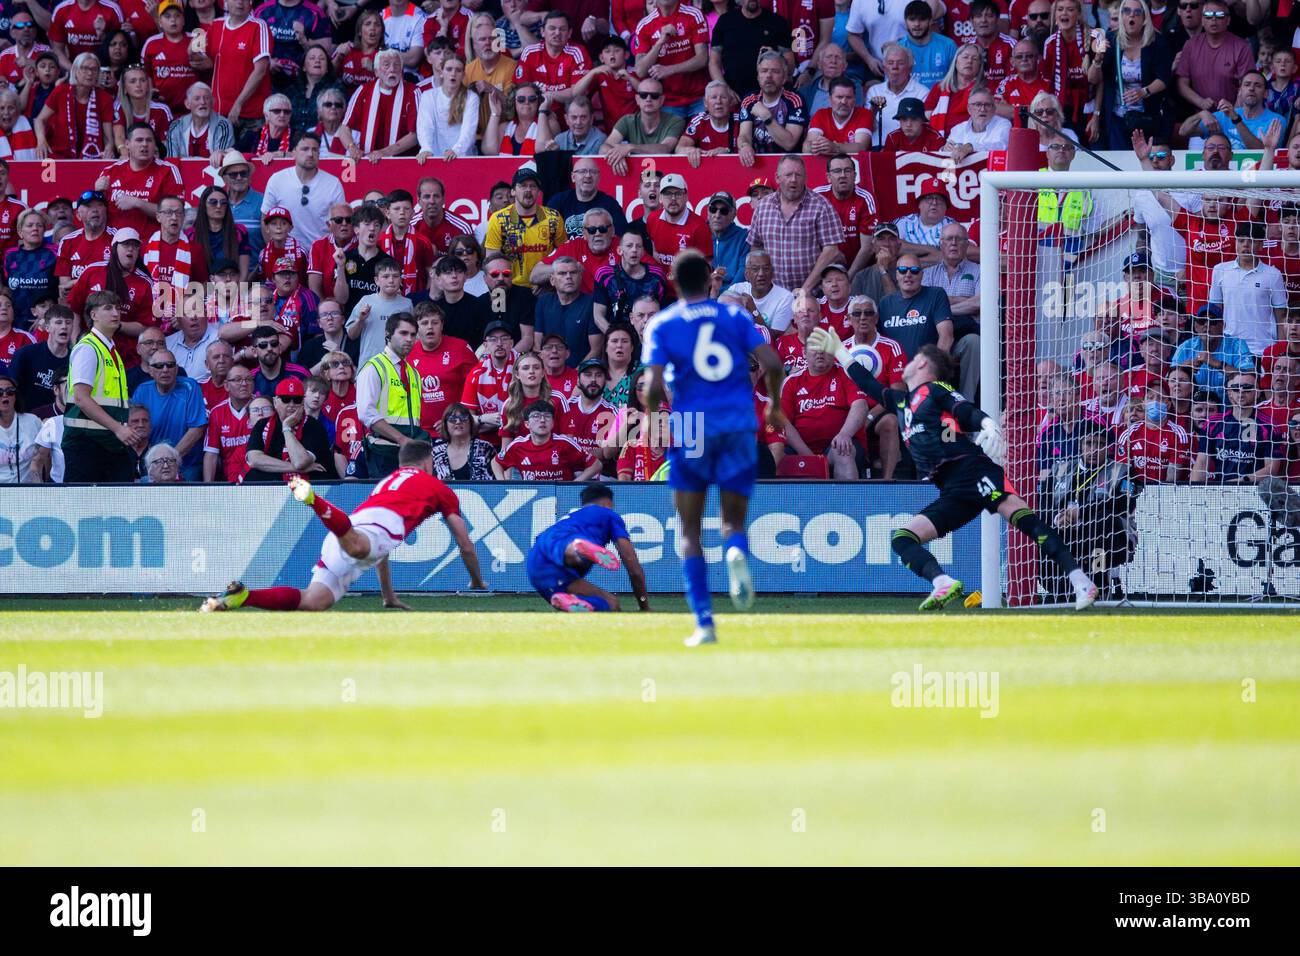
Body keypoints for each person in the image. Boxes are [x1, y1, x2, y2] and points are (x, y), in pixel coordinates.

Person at [804, 326, 1099, 610]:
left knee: (1025, 521)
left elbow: (963, 409)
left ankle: (1081, 582)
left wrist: (987, 424)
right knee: (902, 538)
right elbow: (868, 384)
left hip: (972, 469)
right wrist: (841, 354)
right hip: (951, 487)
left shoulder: (934, 389)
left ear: (921, 364)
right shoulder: (903, 402)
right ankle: (943, 582)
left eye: (913, 358)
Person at [643, 250, 785, 646]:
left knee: (688, 531)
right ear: (709, 280)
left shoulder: (663, 323)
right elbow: (773, 364)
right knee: (732, 522)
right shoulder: (736, 316)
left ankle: (704, 622)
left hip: (692, 429)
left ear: (673, 281)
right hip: (739, 424)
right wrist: (772, 404)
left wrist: (654, 415)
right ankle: (736, 551)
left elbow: (654, 386)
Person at [203, 441, 485, 612]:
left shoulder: (387, 482)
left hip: (352, 528)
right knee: (360, 546)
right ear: (428, 463)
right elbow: (465, 544)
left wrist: (388, 596)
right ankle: (313, 499)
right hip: (365, 532)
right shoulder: (438, 487)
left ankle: (244, 596)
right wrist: (477, 581)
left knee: (314, 601)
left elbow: (381, 553)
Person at [526, 483, 651, 613]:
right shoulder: (608, 514)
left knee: (611, 603)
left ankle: (572, 598)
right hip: (570, 543)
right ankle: (577, 549)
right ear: (607, 503)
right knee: (612, 604)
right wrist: (644, 606)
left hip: (536, 562)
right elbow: (633, 568)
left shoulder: (570, 517)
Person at [62, 291, 145, 482]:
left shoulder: (110, 350)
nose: (116, 313)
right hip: (86, 444)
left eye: (117, 308)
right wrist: (118, 428)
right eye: (108, 308)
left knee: (117, 505)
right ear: (93, 315)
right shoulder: (88, 348)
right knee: (83, 508)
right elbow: (81, 399)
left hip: (107, 442)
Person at [746, 155, 844, 297]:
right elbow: (756, 247)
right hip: (773, 295)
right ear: (777, 178)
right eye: (788, 175)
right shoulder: (763, 207)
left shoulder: (821, 205)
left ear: (805, 178)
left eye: (798, 175)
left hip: (813, 295)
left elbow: (831, 251)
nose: (793, 179)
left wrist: (805, 289)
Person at [356, 311, 428, 478]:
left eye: (412, 334)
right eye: (403, 333)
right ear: (388, 334)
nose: (409, 339)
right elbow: (366, 413)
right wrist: (401, 439)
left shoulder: (414, 373)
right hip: (383, 451)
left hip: (410, 452)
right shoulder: (374, 367)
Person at [1208, 220, 1287, 356]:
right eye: (1241, 240)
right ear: (1236, 243)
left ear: (1261, 245)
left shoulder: (1273, 274)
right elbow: (1215, 313)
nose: (1245, 244)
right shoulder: (1220, 270)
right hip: (1229, 349)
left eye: (1251, 241)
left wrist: (1281, 351)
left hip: (1263, 348)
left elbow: (1281, 317)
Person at [131, 347, 208, 481]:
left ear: (177, 369)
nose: (165, 370)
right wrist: (157, 463)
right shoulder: (142, 390)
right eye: (159, 366)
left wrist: (170, 460)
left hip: (186, 463)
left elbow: (196, 430)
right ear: (150, 370)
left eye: (170, 365)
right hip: (153, 464)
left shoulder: (190, 387)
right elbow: (135, 427)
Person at [197, 0, 274, 131]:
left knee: (248, 152)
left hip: (252, 116)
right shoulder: (216, 25)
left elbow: (260, 71)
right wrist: (193, 48)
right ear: (225, 2)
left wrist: (238, 104)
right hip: (221, 113)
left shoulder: (259, 26)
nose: (240, 2)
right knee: (219, 152)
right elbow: (201, 58)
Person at [242, 376, 337, 481]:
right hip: (272, 489)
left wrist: (286, 428)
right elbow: (254, 459)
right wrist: (294, 469)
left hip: (311, 489)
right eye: (286, 399)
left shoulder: (315, 426)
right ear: (275, 402)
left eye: (297, 400)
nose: (291, 405)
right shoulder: (262, 424)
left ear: (302, 403)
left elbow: (300, 462)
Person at [484, 166, 565, 287]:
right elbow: (491, 262)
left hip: (546, 287)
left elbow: (563, 255)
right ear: (513, 191)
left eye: (533, 186)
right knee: (497, 306)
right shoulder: (498, 219)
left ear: (538, 191)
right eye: (523, 185)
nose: (528, 190)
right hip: (509, 287)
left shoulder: (553, 218)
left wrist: (547, 280)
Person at [34, 52, 118, 160]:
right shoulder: (61, 91)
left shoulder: (104, 98)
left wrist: (109, 149)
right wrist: (41, 141)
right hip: (60, 157)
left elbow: (108, 138)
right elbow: (39, 120)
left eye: (94, 69)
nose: (89, 73)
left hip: (92, 158)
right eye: (85, 68)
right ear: (75, 71)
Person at [634, 0, 709, 118]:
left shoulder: (694, 15)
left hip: (699, 97)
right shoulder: (645, 25)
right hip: (668, 101)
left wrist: (669, 70)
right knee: (672, 137)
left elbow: (703, 59)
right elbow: (640, 70)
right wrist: (660, 42)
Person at [709, 0, 794, 101]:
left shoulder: (777, 22)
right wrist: (724, 89)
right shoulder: (725, 21)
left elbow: (790, 65)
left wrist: (775, 57)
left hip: (769, 97)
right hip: (734, 97)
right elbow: (714, 61)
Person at [343, 48, 418, 159]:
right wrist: (352, 148)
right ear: (376, 72)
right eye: (386, 65)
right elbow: (344, 128)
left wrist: (384, 153)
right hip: (368, 161)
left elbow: (415, 135)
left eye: (396, 65)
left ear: (402, 70)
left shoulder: (413, 92)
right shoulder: (364, 90)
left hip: (403, 163)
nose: (392, 69)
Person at [600, 76, 685, 174]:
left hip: (667, 173)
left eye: (654, 96)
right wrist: (617, 156)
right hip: (634, 173)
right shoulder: (627, 120)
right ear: (637, 99)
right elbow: (604, 147)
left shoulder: (675, 121)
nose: (648, 99)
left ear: (662, 100)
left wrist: (631, 147)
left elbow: (665, 148)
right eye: (644, 95)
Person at [737, 52, 807, 161]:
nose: (768, 76)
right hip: (757, 163)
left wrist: (767, 117)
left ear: (784, 78)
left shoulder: (795, 100)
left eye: (775, 71)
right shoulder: (749, 100)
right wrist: (744, 146)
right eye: (764, 71)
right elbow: (744, 135)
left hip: (789, 164)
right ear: (758, 77)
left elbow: (789, 144)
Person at [347, 257, 413, 367]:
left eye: (395, 276)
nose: (391, 280)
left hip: (398, 364)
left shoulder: (407, 304)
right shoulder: (366, 301)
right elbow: (351, 335)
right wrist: (360, 320)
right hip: (370, 364)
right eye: (386, 276)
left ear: (401, 279)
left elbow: (414, 337)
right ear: (376, 280)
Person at [545, 157, 628, 242]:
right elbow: (546, 237)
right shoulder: (558, 202)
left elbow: (621, 239)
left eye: (593, 172)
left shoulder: (610, 205)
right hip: (565, 254)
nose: (588, 175)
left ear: (599, 178)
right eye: (582, 171)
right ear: (573, 177)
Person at [416, 52, 479, 160]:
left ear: (463, 75)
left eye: (458, 70)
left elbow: (468, 130)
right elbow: (425, 127)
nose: (453, 73)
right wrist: (426, 148)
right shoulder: (428, 96)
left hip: (463, 158)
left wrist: (456, 150)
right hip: (435, 158)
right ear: (441, 72)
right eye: (449, 69)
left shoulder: (471, 97)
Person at [8, 307, 71, 412]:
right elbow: (10, 388)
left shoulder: (75, 360)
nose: (64, 326)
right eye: (58, 323)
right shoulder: (25, 354)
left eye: (68, 323)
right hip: (26, 418)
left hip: (58, 421)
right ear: (47, 327)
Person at [865, 43, 930, 142]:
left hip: (910, 150)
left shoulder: (922, 92)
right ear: (884, 67)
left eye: (900, 63)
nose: (895, 67)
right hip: (880, 151)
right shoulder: (874, 91)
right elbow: (868, 129)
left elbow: (925, 128)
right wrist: (873, 111)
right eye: (890, 63)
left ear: (910, 68)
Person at [203, 362, 256, 482]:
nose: (244, 384)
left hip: (259, 477)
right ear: (226, 386)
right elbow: (211, 454)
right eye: (237, 380)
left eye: (248, 379)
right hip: (229, 480)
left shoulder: (262, 407)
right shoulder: (217, 412)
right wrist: (207, 488)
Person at [5, 209, 58, 327]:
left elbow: (62, 289)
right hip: (15, 323)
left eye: (39, 225)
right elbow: (4, 289)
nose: (35, 228)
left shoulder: (54, 253)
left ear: (44, 230)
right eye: (30, 225)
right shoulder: (9, 255)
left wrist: (48, 317)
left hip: (46, 323)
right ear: (20, 232)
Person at [806, 76, 874, 155]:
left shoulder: (864, 114)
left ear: (854, 99)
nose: (844, 101)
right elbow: (807, 146)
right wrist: (815, 147)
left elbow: (861, 147)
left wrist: (835, 147)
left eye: (848, 97)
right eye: (839, 97)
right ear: (830, 99)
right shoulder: (820, 114)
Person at [676, 80, 738, 164]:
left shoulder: (740, 122)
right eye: (714, 97)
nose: (718, 101)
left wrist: (727, 152)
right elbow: (679, 149)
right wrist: (692, 150)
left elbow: (750, 149)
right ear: (705, 103)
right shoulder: (699, 120)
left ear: (730, 102)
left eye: (723, 97)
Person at [431, 401, 495, 480]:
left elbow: (495, 483)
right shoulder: (436, 452)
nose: (458, 422)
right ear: (445, 424)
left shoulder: (485, 448)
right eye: (452, 419)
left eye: (463, 418)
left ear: (471, 422)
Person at [0, 371, 40, 482]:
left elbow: (45, 455)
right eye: (0, 392)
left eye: (10, 392)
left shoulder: (32, 421)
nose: (5, 395)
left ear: (15, 396)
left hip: (27, 491)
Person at [706, 191, 750, 289]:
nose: (717, 215)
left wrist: (725, 294)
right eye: (713, 209)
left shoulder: (743, 237)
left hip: (732, 294)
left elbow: (743, 272)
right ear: (708, 211)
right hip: (703, 292)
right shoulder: (700, 233)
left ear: (733, 214)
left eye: (724, 211)